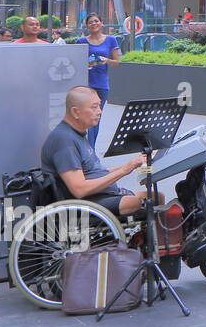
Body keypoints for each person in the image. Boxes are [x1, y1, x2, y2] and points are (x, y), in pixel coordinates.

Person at [43, 87, 150, 216]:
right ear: (76, 112)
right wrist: (124, 170)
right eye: (94, 107)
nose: (99, 111)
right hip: (84, 203)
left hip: (103, 194)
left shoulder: (78, 134)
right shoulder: (64, 140)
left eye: (99, 106)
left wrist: (134, 164)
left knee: (156, 197)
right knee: (138, 202)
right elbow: (79, 189)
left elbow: (97, 173)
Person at [76, 14, 121, 151]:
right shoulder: (81, 41)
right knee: (81, 118)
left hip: (101, 85)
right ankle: (81, 149)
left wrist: (106, 60)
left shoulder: (111, 40)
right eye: (90, 22)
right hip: (85, 85)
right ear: (87, 25)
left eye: (96, 21)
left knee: (95, 119)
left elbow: (117, 62)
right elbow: (76, 62)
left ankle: (91, 151)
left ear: (101, 23)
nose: (94, 24)